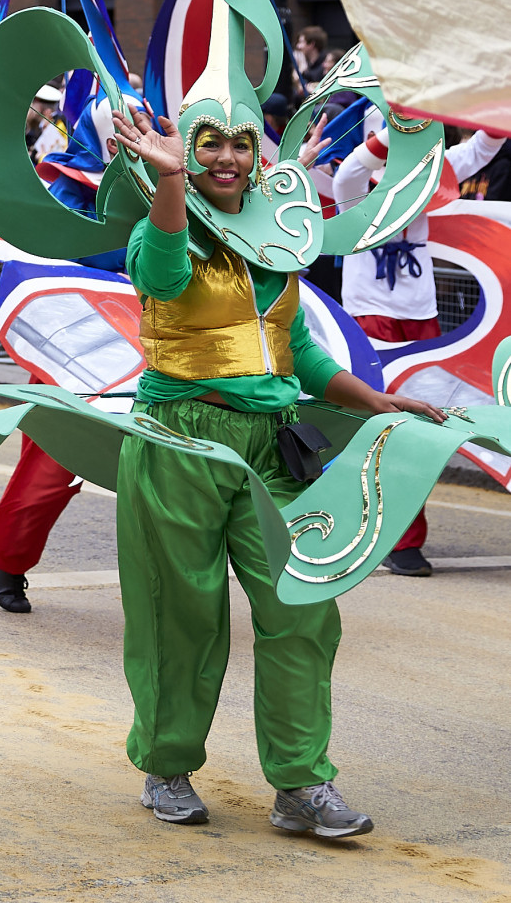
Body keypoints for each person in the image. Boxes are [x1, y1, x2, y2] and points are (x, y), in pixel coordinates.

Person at [106, 104, 442, 838]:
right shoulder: (161, 225)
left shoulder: (275, 237)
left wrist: (373, 398)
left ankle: (301, 783)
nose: (226, 158)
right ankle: (167, 765)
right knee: (180, 615)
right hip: (180, 439)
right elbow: (163, 278)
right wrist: (169, 182)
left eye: (240, 144)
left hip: (273, 443)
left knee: (303, 606)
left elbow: (297, 350)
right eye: (208, 144)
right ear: (185, 153)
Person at [331, 115, 505, 575]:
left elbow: (483, 147)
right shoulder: (352, 182)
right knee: (377, 426)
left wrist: (490, 104)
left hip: (422, 319)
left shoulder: (430, 173)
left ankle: (404, 537)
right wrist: (410, 118)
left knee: (426, 427)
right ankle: (377, 530)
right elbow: (357, 165)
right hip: (369, 318)